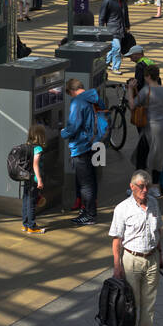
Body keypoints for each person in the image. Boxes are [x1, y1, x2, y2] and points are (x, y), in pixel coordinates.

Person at [110, 172, 163, 326]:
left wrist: (160, 256)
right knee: (131, 302)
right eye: (141, 186)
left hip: (152, 258)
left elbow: (158, 232)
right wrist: (117, 267)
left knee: (149, 302)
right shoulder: (122, 209)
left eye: (147, 186)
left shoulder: (154, 204)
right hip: (131, 259)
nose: (145, 190)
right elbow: (116, 241)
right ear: (132, 187)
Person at [60, 78, 102, 226]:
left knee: (85, 183)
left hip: (82, 146)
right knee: (92, 179)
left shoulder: (77, 102)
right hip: (96, 144)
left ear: (71, 91)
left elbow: (73, 126)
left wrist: (62, 133)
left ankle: (89, 215)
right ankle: (88, 211)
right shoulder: (95, 98)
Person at [131, 66, 163, 185]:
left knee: (141, 158)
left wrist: (129, 89)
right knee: (158, 158)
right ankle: (155, 186)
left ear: (148, 76)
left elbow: (132, 105)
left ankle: (139, 184)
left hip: (150, 128)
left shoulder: (146, 90)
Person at [20, 122, 47, 234]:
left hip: (26, 177)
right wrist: (39, 179)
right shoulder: (38, 148)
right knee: (32, 202)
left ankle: (25, 224)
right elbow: (35, 164)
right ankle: (32, 226)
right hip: (34, 179)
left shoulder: (27, 146)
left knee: (26, 200)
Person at [99, 0, 130, 75]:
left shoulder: (122, 0)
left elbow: (126, 14)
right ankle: (115, 67)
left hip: (121, 28)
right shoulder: (108, 0)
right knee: (117, 48)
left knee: (113, 48)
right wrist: (101, 29)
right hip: (112, 29)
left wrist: (127, 25)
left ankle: (106, 63)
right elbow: (102, 16)